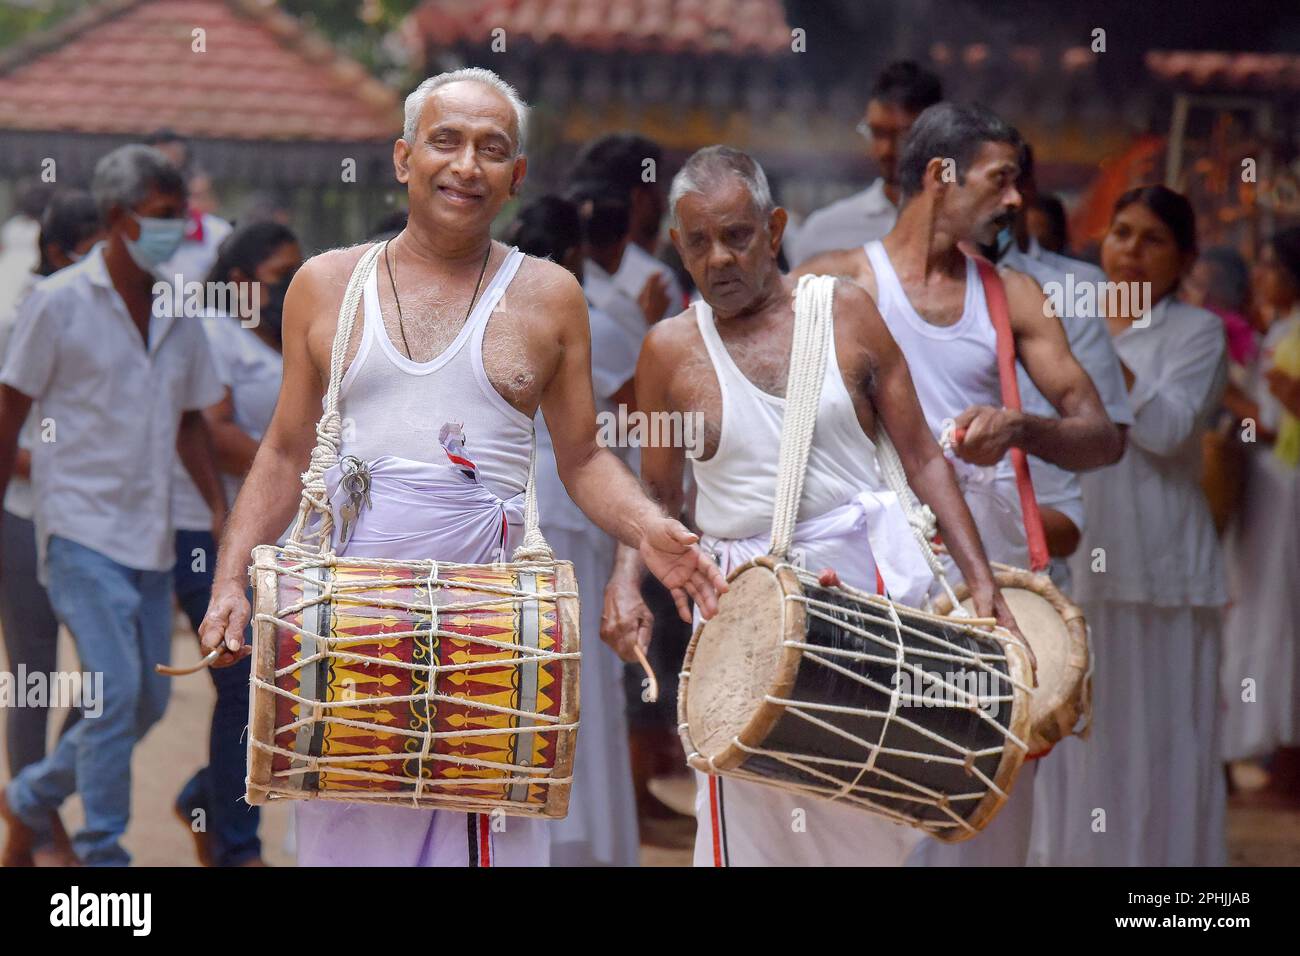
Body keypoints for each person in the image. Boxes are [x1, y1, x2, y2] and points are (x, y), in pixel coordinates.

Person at [195, 68, 725, 869]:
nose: (466, 165)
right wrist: (230, 580)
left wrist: (650, 526)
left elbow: (581, 458)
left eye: (492, 149)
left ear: (517, 177)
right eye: (446, 141)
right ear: (404, 158)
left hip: (490, 639)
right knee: (348, 846)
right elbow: (283, 449)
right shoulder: (325, 286)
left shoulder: (549, 298)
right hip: (349, 631)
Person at [601, 145, 1025, 867]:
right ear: (677, 244)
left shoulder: (845, 311)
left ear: (774, 229)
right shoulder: (667, 352)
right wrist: (622, 581)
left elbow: (921, 453)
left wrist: (981, 584)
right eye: (698, 242)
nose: (720, 259)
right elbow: (660, 496)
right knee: (751, 813)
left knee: (866, 809)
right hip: (742, 608)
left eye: (738, 236)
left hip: (865, 599)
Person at [794, 104, 1124, 867]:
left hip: (990, 593)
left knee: (987, 815)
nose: (1017, 199)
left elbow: (1102, 439)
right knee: (871, 809)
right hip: (876, 586)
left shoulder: (1013, 297)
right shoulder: (834, 284)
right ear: (942, 175)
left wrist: (1020, 428)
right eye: (1001, 178)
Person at [0, 145, 227, 867]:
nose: (175, 229)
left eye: (180, 215)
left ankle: (31, 795)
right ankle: (104, 855)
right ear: (115, 218)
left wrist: (221, 515)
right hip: (75, 529)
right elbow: (8, 413)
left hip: (150, 535)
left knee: (148, 703)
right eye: (162, 217)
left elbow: (193, 419)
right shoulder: (57, 303)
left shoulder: (178, 307)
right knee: (113, 690)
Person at [1049, 186, 1229, 866]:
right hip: (1082, 548)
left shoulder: (1199, 332)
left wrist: (1096, 343)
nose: (1129, 250)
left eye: (1152, 239)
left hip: (1162, 566)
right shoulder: (1067, 319)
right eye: (1121, 232)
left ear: (1184, 258)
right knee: (1081, 734)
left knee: (1161, 737)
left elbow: (1165, 426)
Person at [504, 195, 640, 866]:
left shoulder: (491, 310)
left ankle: (532, 836)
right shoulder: (595, 319)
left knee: (526, 674)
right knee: (574, 674)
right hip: (578, 510)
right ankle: (580, 842)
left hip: (517, 513)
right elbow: (633, 423)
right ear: (580, 252)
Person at [169, 220, 301, 867]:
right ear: (242, 278)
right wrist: (301, 466)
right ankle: (236, 846)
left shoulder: (289, 340)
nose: (290, 287)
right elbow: (213, 429)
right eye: (280, 274)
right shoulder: (212, 334)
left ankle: (206, 796)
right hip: (208, 531)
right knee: (242, 677)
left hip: (281, 541)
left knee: (271, 685)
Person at [0, 191, 102, 856]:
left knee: (107, 679)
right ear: (63, 250)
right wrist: (71, 463)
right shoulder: (23, 314)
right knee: (33, 677)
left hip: (100, 524)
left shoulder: (118, 314)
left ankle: (34, 797)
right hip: (28, 518)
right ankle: (37, 823)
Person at [1220, 227, 1300, 797]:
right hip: (1271, 484)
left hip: (1286, 481)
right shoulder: (1281, 330)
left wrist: (1224, 392)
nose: (1263, 276)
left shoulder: (1293, 335)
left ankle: (1281, 739)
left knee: (1277, 608)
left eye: (1272, 264)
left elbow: (1270, 424)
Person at [787, 61, 942, 266]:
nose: (887, 150)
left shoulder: (960, 228)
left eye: (904, 136)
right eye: (877, 133)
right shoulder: (824, 232)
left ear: (938, 135)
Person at [569, 133, 685, 320]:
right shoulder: (657, 282)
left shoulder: (561, 259)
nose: (664, 206)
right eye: (657, 192)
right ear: (641, 200)